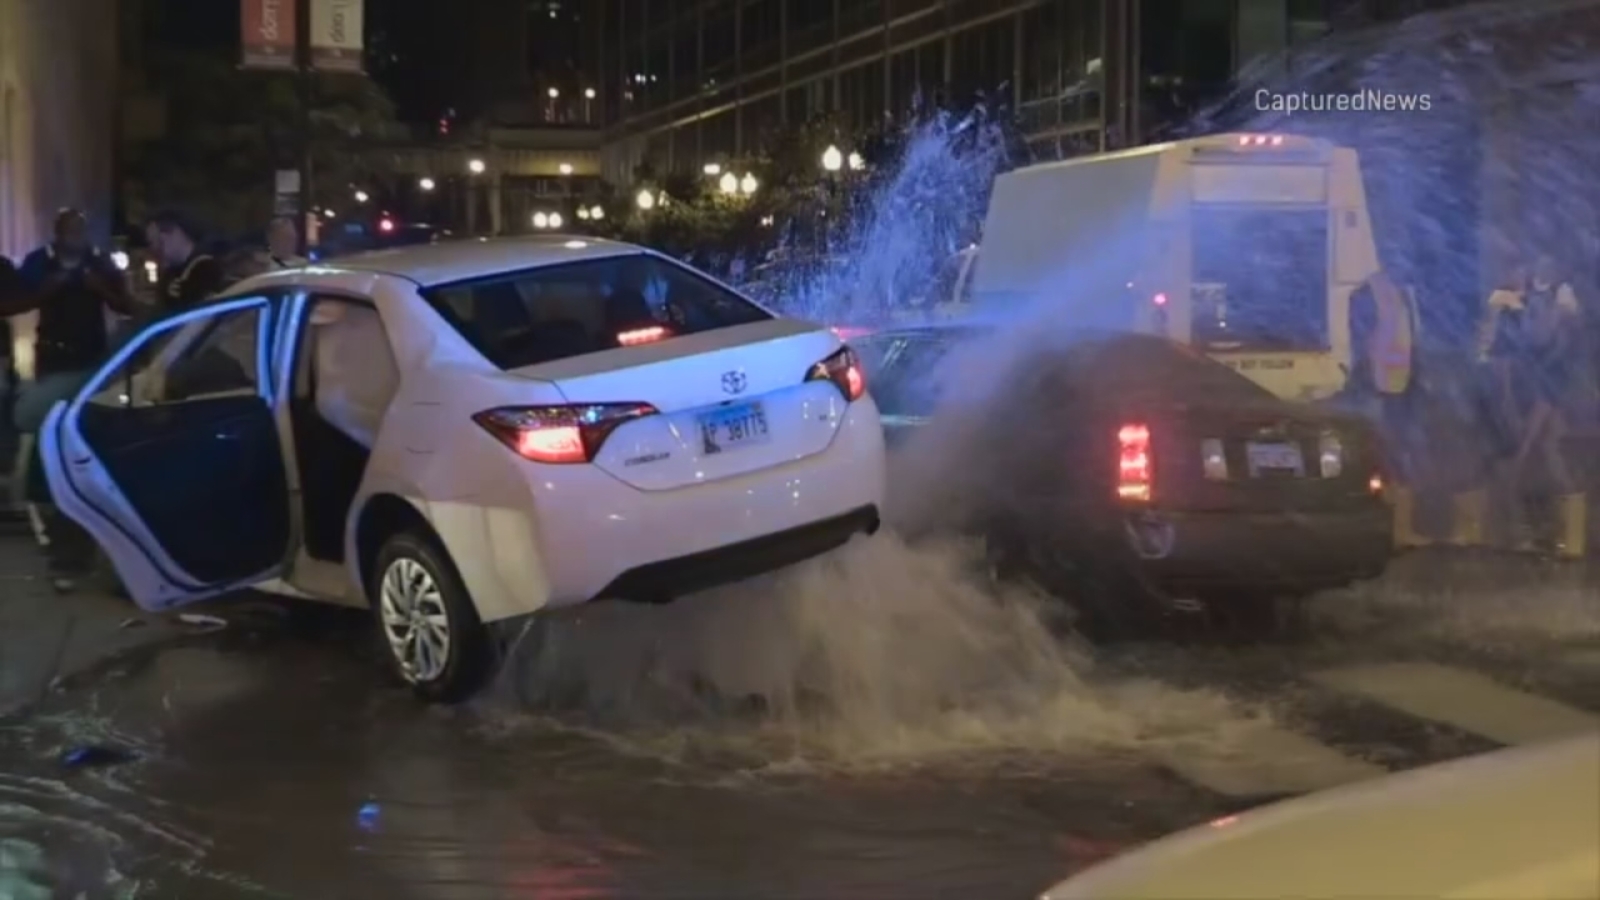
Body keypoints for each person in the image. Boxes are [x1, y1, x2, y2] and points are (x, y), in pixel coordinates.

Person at [1, 209, 136, 590]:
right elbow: (16, 302)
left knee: (80, 437)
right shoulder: (38, 261)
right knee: (47, 433)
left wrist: (100, 289)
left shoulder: (98, 261)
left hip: (93, 362)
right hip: (54, 361)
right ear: (57, 233)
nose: (76, 235)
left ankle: (74, 527)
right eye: (70, 230)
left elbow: (126, 305)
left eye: (81, 228)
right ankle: (52, 513)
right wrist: (51, 289)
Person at [145, 210, 225, 315]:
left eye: (159, 242)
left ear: (177, 233)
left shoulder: (206, 270)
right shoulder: (172, 273)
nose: (155, 249)